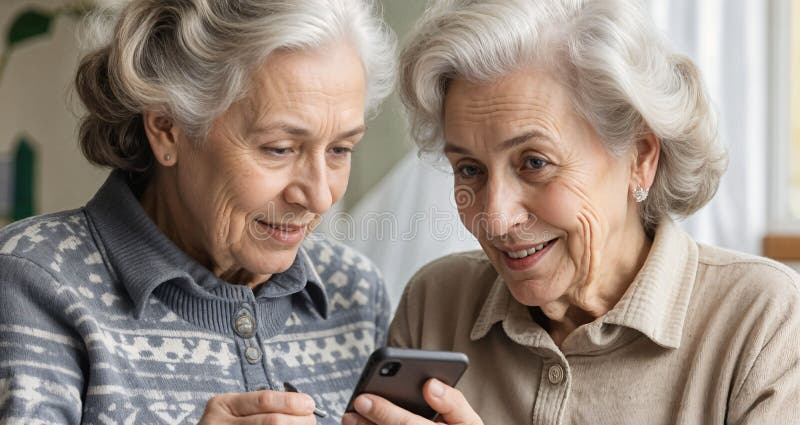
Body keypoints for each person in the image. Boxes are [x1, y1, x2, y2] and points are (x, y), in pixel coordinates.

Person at [343, 0, 800, 424]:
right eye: (469, 169)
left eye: (535, 163)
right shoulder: (437, 303)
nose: (496, 218)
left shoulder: (763, 321)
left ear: (639, 158)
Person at [0, 0, 396, 423]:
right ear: (168, 130)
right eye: (278, 149)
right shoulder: (33, 281)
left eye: (340, 149)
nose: (319, 197)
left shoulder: (353, 291)